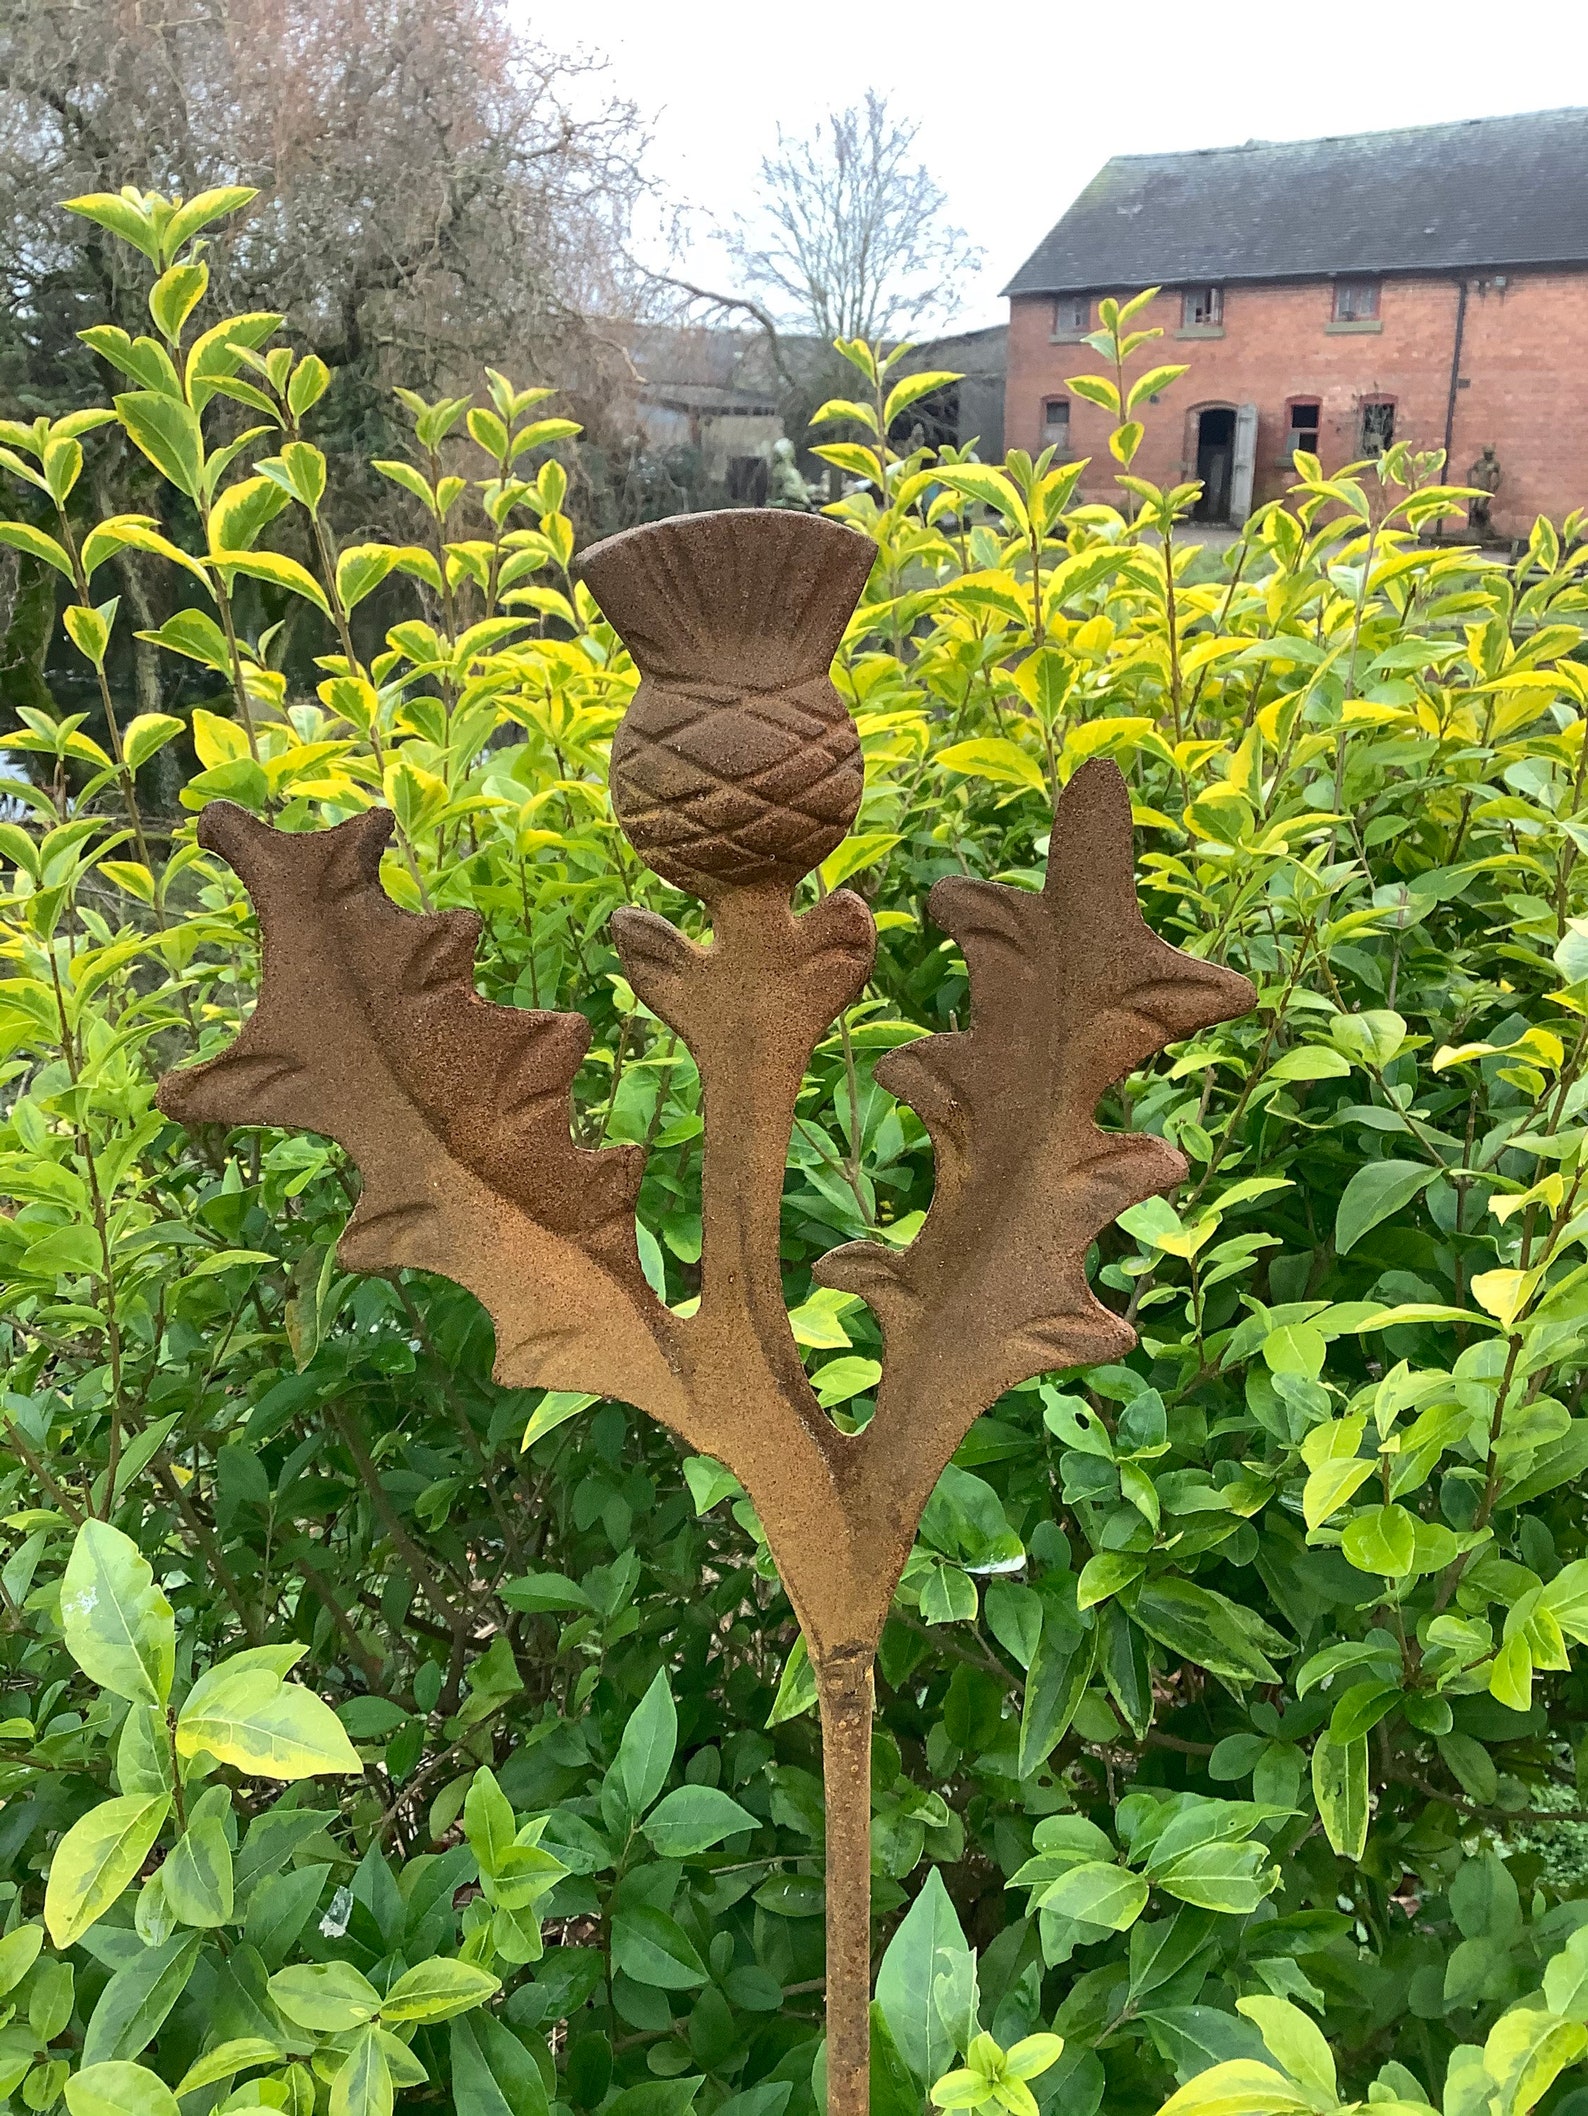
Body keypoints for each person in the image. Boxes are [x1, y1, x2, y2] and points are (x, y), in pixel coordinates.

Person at [767, 436, 812, 511]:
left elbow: (798, 492)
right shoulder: (786, 470)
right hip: (795, 504)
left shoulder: (788, 471)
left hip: (793, 504)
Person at [1467, 445, 1501, 537]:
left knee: (1480, 507)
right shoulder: (1479, 463)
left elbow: (1498, 477)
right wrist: (1470, 483)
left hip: (1486, 489)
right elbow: (1470, 471)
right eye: (1486, 454)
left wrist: (1494, 488)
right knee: (1473, 507)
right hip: (1477, 488)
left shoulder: (1494, 464)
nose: (1488, 456)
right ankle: (1476, 527)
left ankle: (1486, 523)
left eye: (1490, 454)